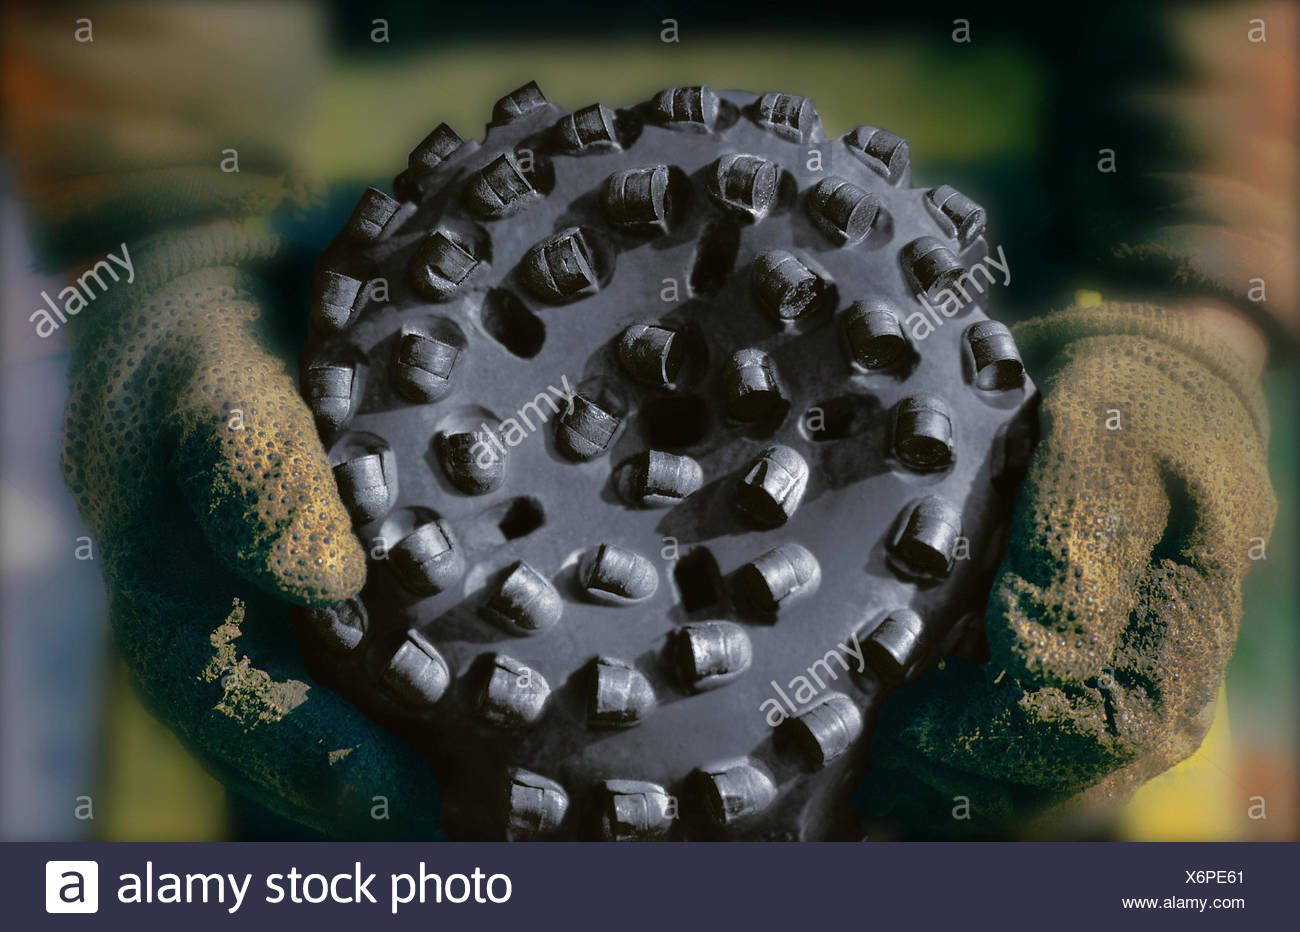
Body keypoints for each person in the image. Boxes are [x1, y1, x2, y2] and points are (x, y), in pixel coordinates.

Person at [1, 0, 1290, 839]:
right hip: (311, 349)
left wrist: (1192, 312)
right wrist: (158, 258)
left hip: (1027, 382)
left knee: (1077, 732)